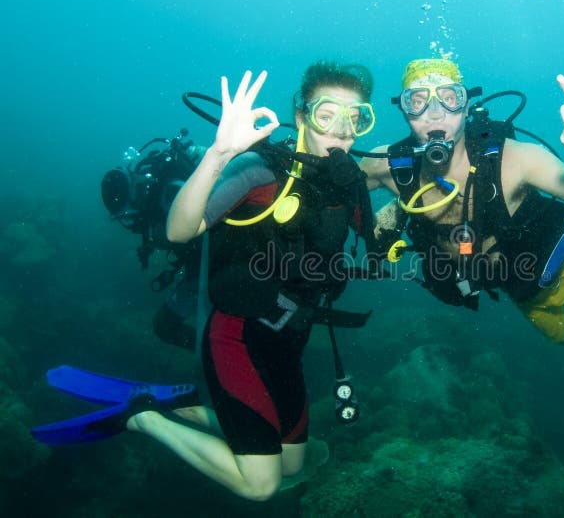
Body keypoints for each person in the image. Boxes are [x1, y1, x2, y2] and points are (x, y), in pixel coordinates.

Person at [33, 62, 377, 501]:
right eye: (328, 114)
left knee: (295, 463)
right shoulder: (263, 170)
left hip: (288, 344)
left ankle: (188, 405)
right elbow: (179, 230)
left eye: (356, 118)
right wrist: (219, 153)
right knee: (262, 485)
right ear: (301, 115)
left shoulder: (348, 184)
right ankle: (144, 418)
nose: (343, 130)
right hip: (238, 336)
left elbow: (383, 218)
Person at [361, 58, 564, 343]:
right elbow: (330, 190)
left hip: (560, 264)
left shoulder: (518, 160)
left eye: (449, 98)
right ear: (403, 110)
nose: (434, 113)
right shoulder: (386, 166)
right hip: (518, 286)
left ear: (467, 106)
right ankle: (560, 302)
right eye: (416, 101)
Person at [100, 130, 206, 349]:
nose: (131, 221)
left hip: (216, 262)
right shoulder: (155, 196)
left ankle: (216, 354)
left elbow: (205, 234)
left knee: (165, 326)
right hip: (207, 264)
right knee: (165, 326)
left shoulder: (170, 193)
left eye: (127, 214)